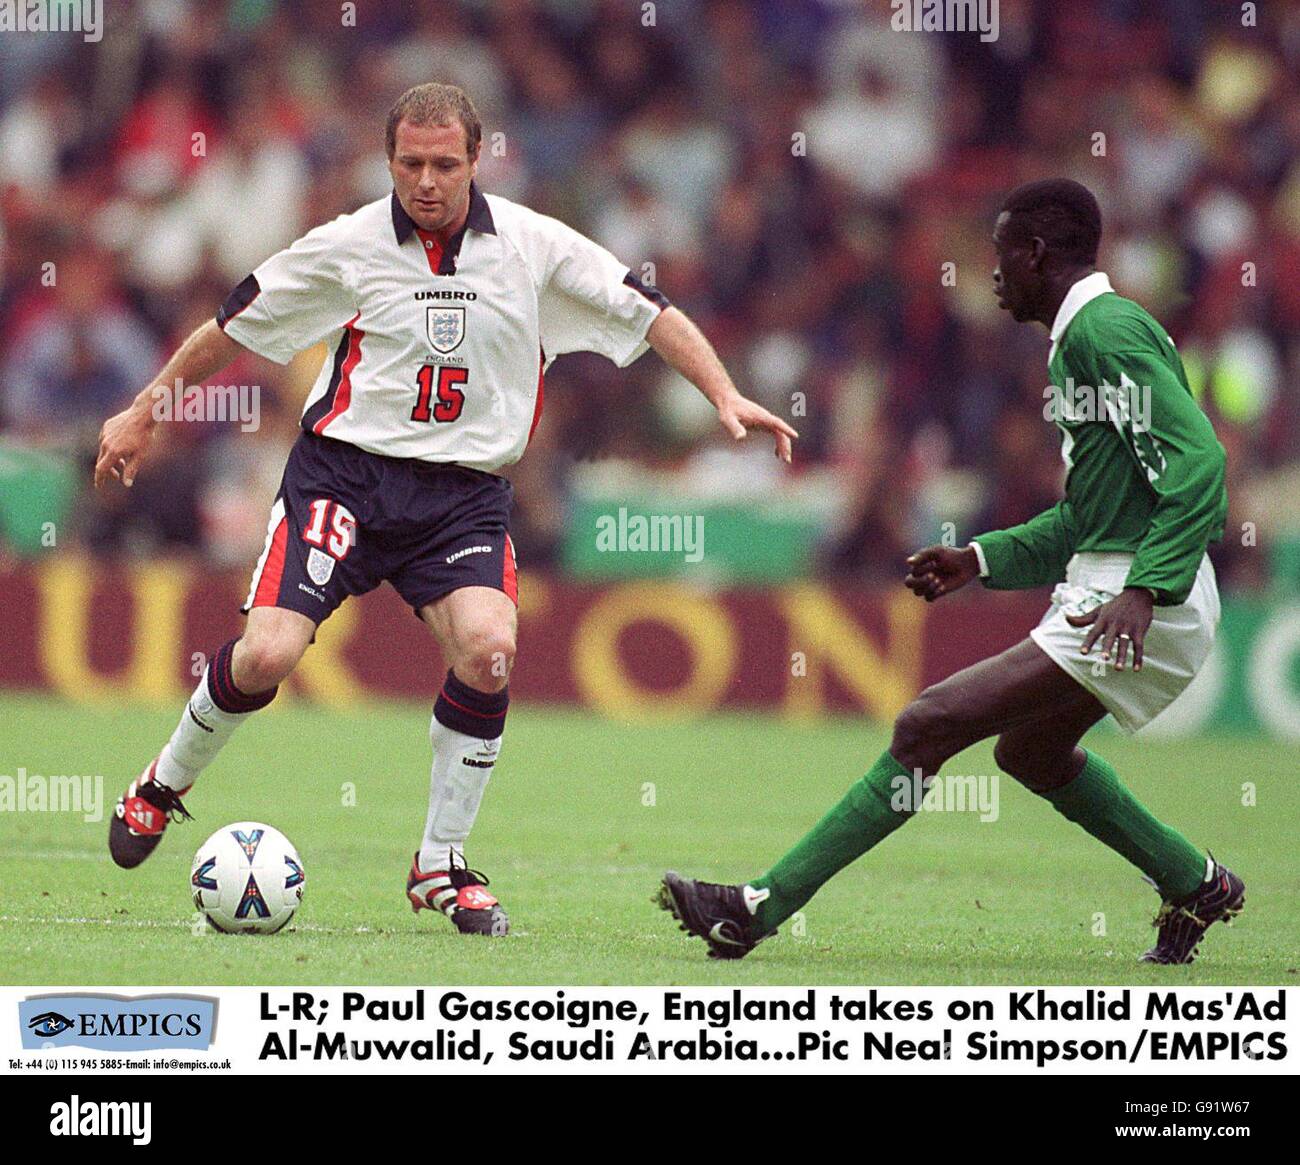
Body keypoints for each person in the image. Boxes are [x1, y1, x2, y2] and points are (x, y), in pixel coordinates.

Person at [95, 82, 796, 936]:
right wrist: (145, 409)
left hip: (461, 497)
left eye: (445, 164)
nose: (427, 181)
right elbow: (233, 325)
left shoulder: (534, 246)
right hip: (344, 477)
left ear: (477, 159)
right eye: (411, 163)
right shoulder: (348, 244)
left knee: (492, 649)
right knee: (267, 654)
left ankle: (439, 864)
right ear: (389, 161)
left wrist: (724, 393)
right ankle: (163, 783)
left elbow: (649, 314)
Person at [658, 178, 1242, 966]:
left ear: (1036, 253)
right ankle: (1192, 879)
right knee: (1027, 753)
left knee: (927, 723)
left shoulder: (1104, 332)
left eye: (999, 254)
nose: (990, 273)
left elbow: (1201, 461)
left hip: (1137, 594)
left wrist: (1145, 589)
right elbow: (1093, 512)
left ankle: (756, 908)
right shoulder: (1087, 335)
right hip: (1119, 582)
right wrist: (983, 557)